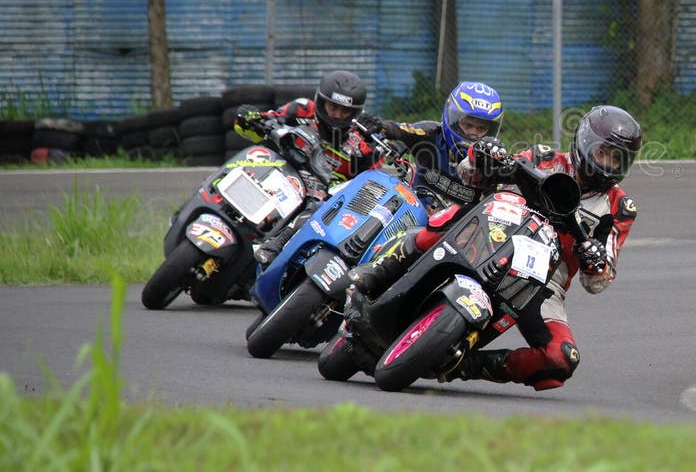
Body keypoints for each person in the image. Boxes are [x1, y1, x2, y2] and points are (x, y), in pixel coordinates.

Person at [347, 105, 642, 391]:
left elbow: (597, 281)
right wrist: (483, 154)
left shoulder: (619, 207)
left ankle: (467, 365)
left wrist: (593, 260)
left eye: (617, 159)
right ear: (584, 143)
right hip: (495, 232)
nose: (607, 164)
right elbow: (469, 173)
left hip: (542, 282)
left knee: (562, 357)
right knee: (454, 215)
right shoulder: (542, 158)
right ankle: (379, 270)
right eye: (602, 153)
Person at [233, 70, 381, 264]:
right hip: (282, 170)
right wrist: (250, 119)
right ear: (322, 102)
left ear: (355, 113)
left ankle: (274, 247)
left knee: (318, 207)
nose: (337, 115)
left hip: (319, 193)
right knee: (250, 160)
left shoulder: (363, 144)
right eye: (333, 107)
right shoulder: (302, 109)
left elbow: (371, 185)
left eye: (345, 111)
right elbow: (266, 123)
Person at [354, 80, 504, 210]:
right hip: (415, 214)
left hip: (459, 232)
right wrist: (378, 125)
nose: (473, 134)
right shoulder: (431, 133)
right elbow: (398, 130)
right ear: (452, 118)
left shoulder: (492, 160)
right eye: (468, 125)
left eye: (481, 128)